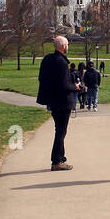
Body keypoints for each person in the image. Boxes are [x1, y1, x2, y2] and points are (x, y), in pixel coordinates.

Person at [36, 36, 75, 171]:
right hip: (62, 101)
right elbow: (64, 85)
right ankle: (56, 160)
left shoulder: (48, 59)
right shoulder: (62, 63)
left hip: (52, 100)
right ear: (63, 46)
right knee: (60, 131)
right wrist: (75, 87)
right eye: (67, 45)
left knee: (59, 130)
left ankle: (60, 158)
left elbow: (41, 78)